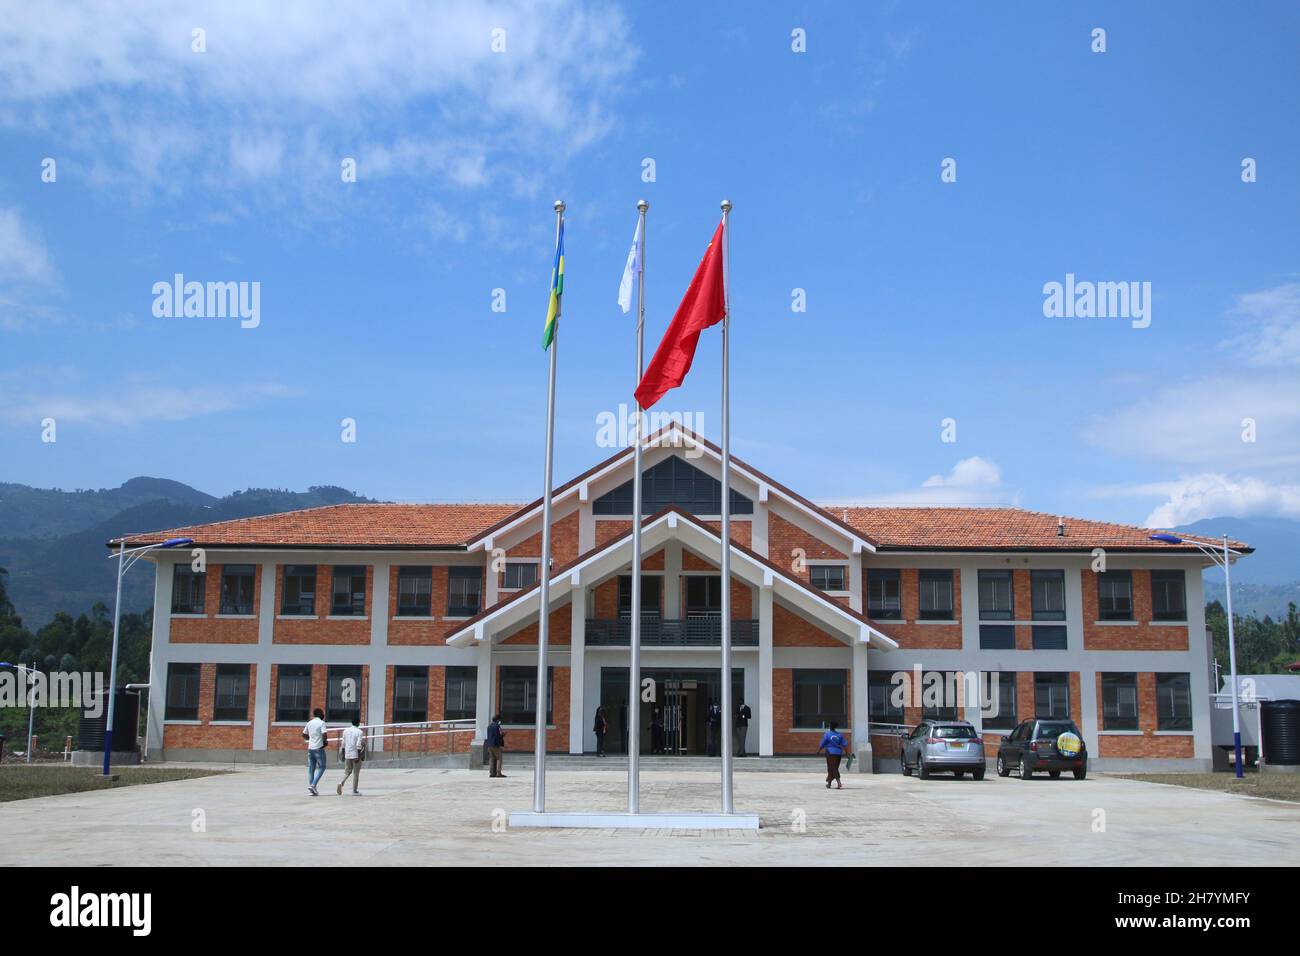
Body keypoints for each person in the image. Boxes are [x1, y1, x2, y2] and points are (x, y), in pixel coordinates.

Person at [336, 716, 366, 795]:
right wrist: (359, 756)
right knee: (356, 774)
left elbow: (343, 743)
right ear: (358, 723)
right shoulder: (359, 732)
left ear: (352, 722)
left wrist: (343, 754)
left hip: (347, 754)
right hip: (355, 754)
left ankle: (341, 782)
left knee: (347, 772)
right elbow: (358, 745)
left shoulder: (345, 731)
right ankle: (354, 791)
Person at [302, 707, 328, 796]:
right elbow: (324, 734)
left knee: (311, 768)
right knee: (322, 767)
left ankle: (311, 789)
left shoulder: (309, 723)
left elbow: (304, 734)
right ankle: (313, 785)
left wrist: (311, 739)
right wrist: (325, 742)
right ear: (320, 714)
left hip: (310, 748)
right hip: (318, 748)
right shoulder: (322, 723)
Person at [817, 722, 848, 790]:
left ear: (830, 726)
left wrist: (818, 751)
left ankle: (839, 782)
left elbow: (822, 744)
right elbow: (845, 745)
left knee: (833, 768)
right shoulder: (839, 735)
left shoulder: (827, 734)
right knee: (833, 767)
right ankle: (829, 783)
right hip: (839, 753)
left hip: (830, 753)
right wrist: (847, 754)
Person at [486, 713, 506, 778]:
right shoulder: (497, 726)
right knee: (499, 758)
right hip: (496, 745)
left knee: (491, 759)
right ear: (497, 720)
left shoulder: (489, 726)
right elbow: (498, 735)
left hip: (489, 745)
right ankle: (498, 773)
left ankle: (492, 773)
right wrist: (503, 734)